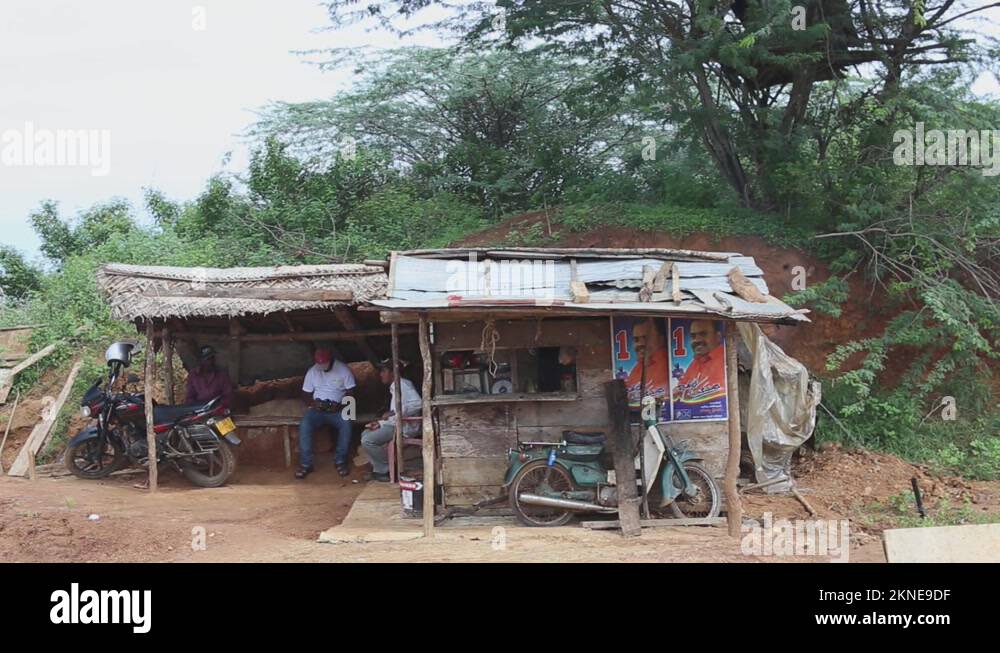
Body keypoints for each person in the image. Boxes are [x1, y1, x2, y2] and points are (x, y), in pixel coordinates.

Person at [296, 347, 356, 479]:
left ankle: (340, 461)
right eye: (319, 364)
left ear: (331, 361)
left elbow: (351, 393)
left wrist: (340, 405)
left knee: (346, 424)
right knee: (305, 425)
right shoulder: (312, 371)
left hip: (338, 409)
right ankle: (306, 464)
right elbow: (305, 394)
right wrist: (314, 403)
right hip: (317, 410)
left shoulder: (343, 370)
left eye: (324, 364)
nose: (321, 366)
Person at [360, 360, 421, 482]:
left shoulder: (403, 384)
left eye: (384, 371)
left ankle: (387, 469)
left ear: (393, 373)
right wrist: (380, 423)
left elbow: (418, 403)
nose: (381, 374)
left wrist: (396, 412)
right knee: (365, 434)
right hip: (396, 424)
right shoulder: (395, 387)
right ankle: (379, 469)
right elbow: (393, 417)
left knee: (368, 440)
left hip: (404, 427)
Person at [672, 320, 726, 405]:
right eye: (693, 336)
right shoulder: (695, 363)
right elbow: (678, 392)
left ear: (718, 337)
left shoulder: (725, 360)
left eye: (703, 334)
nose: (697, 340)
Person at [625, 317, 669, 404]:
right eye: (636, 340)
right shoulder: (637, 369)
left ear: (661, 339)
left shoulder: (666, 364)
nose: (640, 344)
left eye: (646, 338)